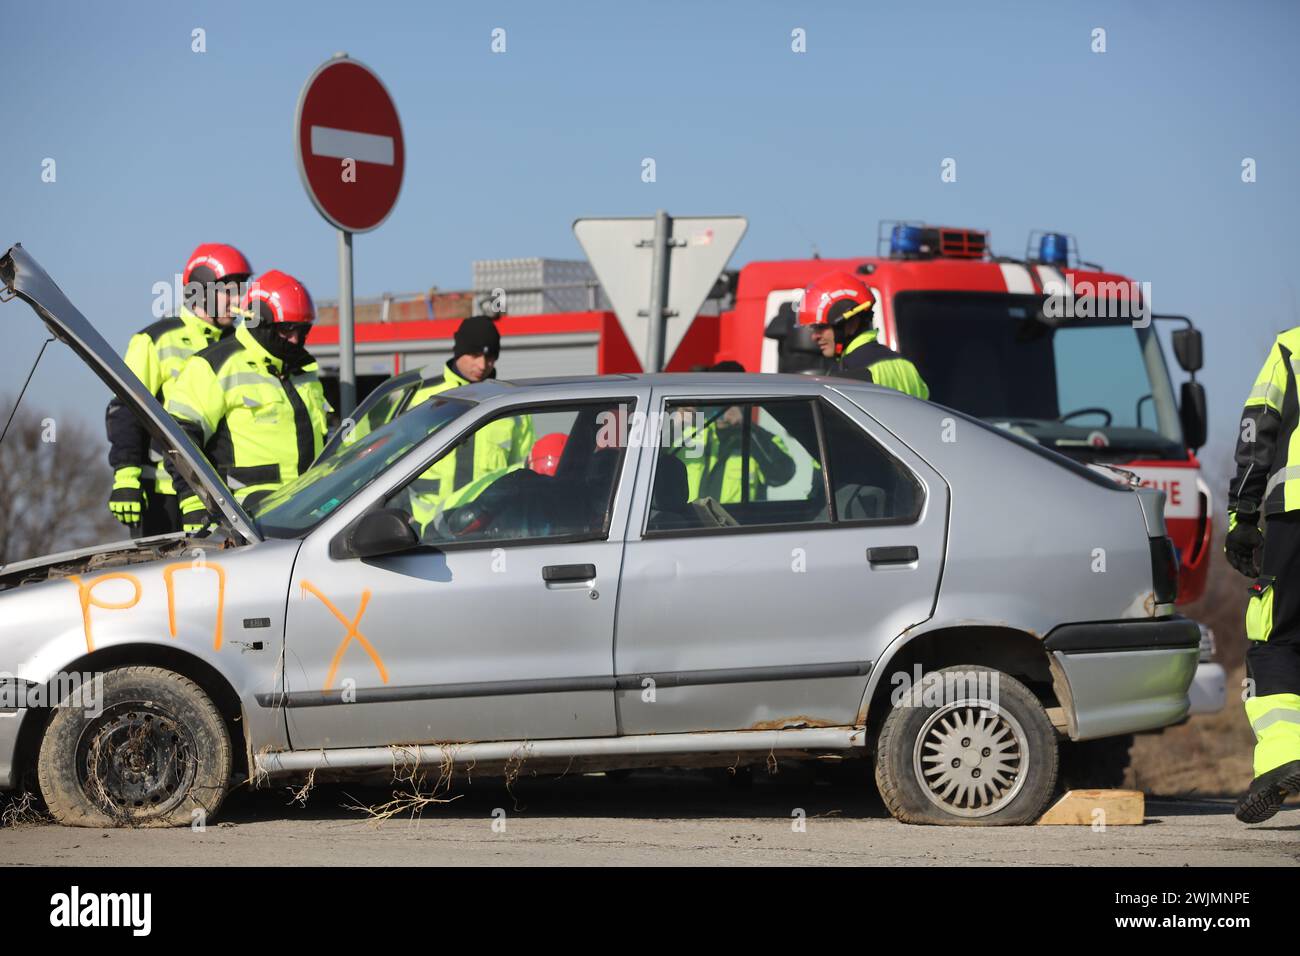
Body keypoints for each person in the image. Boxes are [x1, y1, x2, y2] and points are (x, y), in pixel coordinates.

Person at [165, 270, 331, 530]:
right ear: (258, 321)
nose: (296, 340)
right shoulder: (213, 366)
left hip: (311, 516)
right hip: (245, 521)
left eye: (302, 331)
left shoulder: (305, 371)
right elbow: (178, 440)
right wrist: (195, 506)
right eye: (286, 330)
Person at [106, 242, 251, 535]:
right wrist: (125, 478)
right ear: (202, 290)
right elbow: (126, 409)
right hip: (163, 495)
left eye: (241, 289)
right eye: (230, 290)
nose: (239, 299)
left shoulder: (242, 347)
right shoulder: (155, 340)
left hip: (227, 496)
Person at [1225, 324, 1300, 823]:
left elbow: (1258, 427)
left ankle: (1282, 757)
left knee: (1275, 637)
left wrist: (1243, 515)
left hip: (1295, 513)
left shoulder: (1292, 344)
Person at [403, 315, 533, 530]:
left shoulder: (513, 407)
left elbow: (521, 470)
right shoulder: (423, 401)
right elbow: (393, 464)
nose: (482, 365)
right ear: (459, 351)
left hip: (487, 527)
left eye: (490, 357)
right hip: (424, 527)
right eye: (474, 355)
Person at [797, 270, 929, 398]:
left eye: (821, 327)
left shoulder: (849, 375)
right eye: (813, 329)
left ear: (851, 323)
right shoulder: (906, 365)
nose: (814, 336)